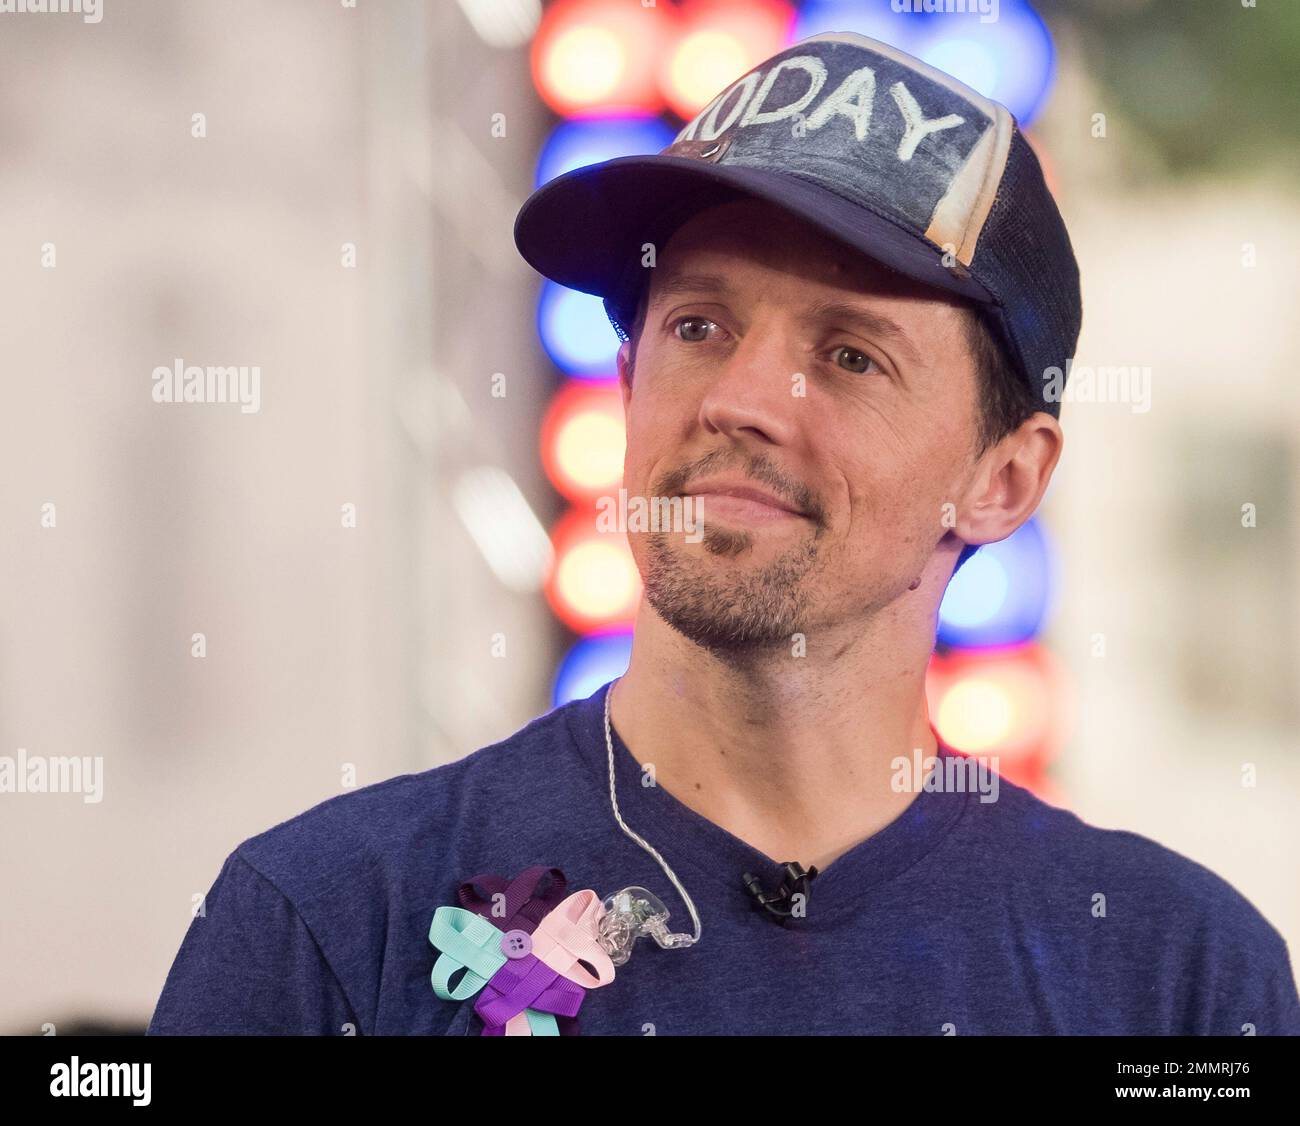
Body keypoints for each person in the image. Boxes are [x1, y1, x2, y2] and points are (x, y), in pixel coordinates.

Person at [147, 30, 1300, 1036]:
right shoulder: (334, 927)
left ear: (1002, 480)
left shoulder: (1175, 978)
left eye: (849, 355)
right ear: (626, 377)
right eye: (697, 323)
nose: (739, 399)